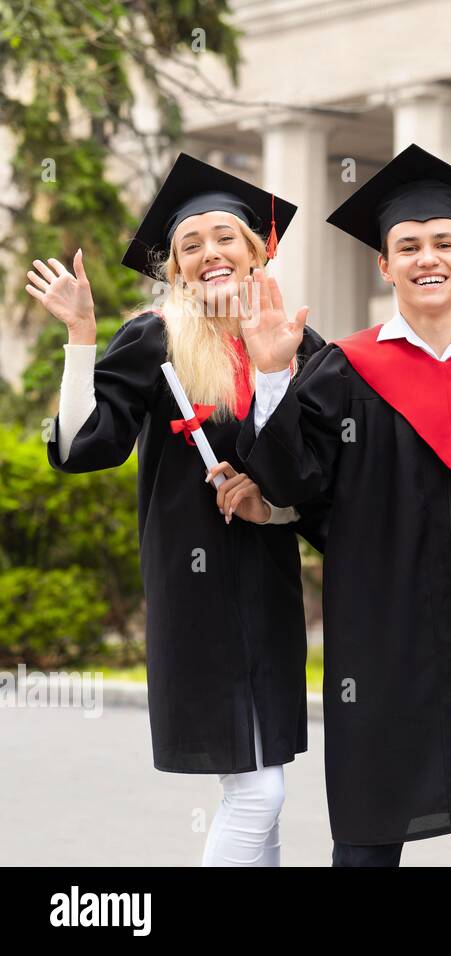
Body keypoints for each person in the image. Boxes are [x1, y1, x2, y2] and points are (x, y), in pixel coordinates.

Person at [236, 145, 451, 867]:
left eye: (444, 243)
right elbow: (291, 482)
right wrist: (269, 375)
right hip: (383, 638)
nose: (427, 258)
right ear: (384, 266)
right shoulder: (346, 368)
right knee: (369, 840)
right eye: (407, 247)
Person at [30, 153, 323, 866]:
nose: (209, 254)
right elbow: (83, 446)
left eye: (225, 237)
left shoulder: (298, 343)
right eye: (190, 245)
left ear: (259, 248)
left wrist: (275, 512)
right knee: (257, 793)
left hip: (269, 587)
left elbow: (319, 476)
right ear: (178, 267)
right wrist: (81, 339)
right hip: (196, 594)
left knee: (264, 785)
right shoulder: (156, 339)